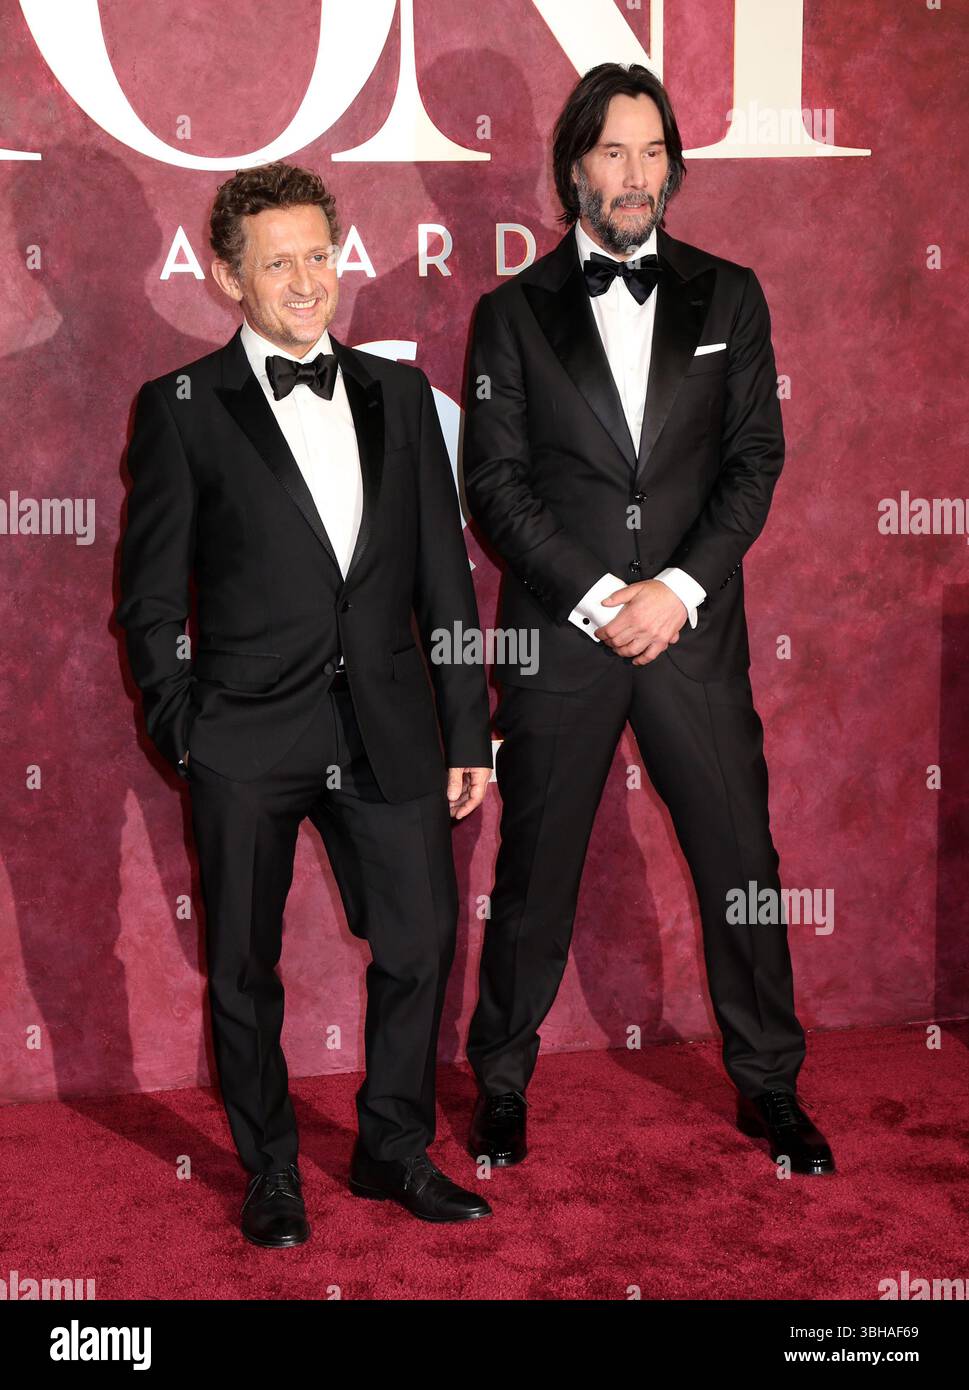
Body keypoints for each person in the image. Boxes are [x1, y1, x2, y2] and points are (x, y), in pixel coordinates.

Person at [462, 64, 834, 1177]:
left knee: (742, 864)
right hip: (563, 642)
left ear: (674, 164)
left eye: (653, 151)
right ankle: (502, 1085)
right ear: (574, 164)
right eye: (613, 152)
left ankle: (771, 1085)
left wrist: (675, 591)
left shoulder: (733, 295)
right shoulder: (510, 314)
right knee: (535, 869)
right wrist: (595, 597)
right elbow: (497, 483)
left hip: (693, 636)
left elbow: (754, 461)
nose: (635, 176)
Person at [117, 161, 495, 1246]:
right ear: (230, 278)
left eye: (318, 255)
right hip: (244, 733)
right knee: (242, 967)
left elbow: (443, 580)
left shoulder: (397, 396)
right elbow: (147, 600)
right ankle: (270, 1167)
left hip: (387, 726)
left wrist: (466, 728)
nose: (304, 279)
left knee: (420, 944)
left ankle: (391, 1148)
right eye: (275, 262)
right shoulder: (182, 409)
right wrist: (184, 727)